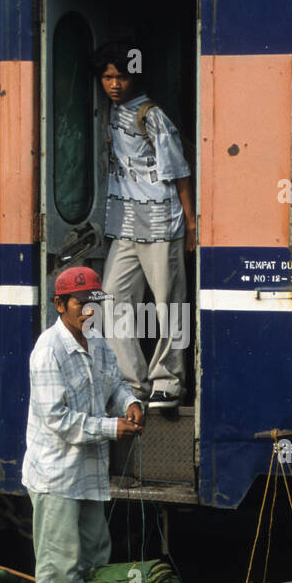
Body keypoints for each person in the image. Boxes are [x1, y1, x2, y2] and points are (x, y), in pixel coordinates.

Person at [22, 266, 143, 583]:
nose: (89, 310)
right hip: (56, 473)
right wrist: (112, 428)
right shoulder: (48, 351)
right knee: (60, 561)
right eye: (81, 302)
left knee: (94, 553)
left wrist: (130, 403)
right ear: (59, 305)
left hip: (89, 472)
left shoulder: (98, 344)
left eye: (94, 301)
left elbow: (115, 385)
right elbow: (56, 419)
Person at [94, 41, 193, 409]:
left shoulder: (151, 115)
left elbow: (180, 172)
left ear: (134, 78)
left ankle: (168, 381)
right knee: (112, 301)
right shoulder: (100, 113)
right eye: (107, 76)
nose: (114, 84)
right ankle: (131, 382)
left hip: (161, 221)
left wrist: (191, 225)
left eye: (120, 76)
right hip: (123, 224)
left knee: (169, 304)